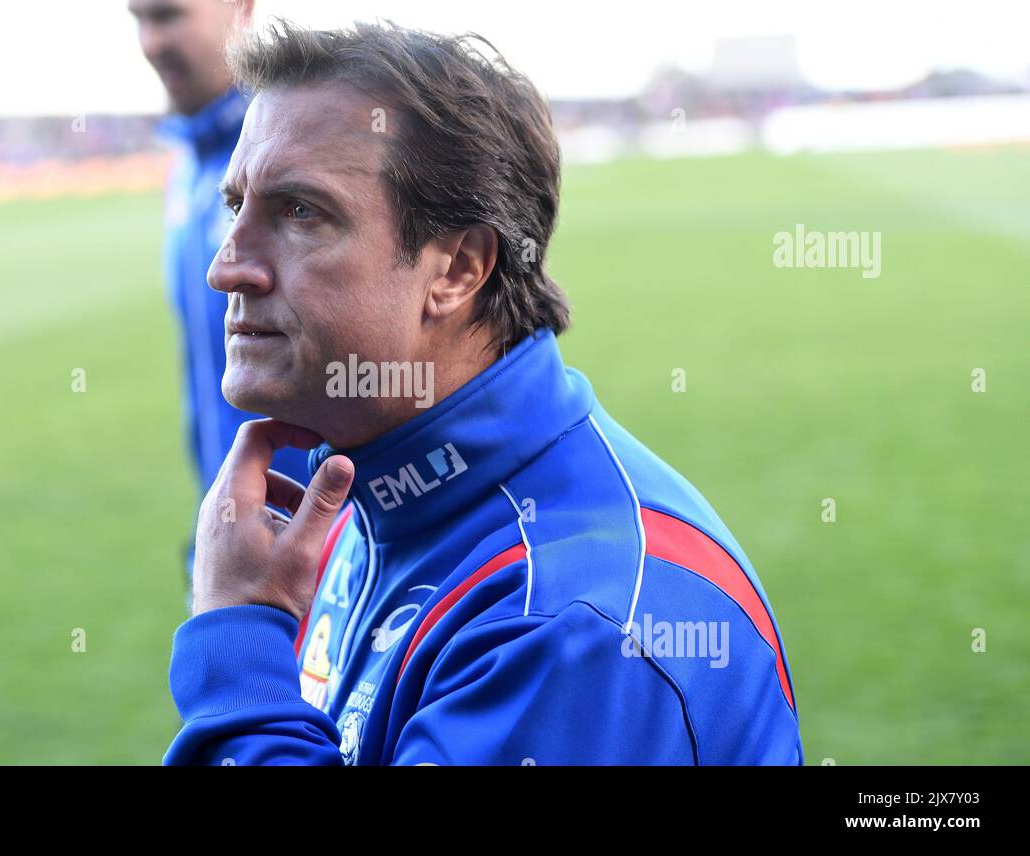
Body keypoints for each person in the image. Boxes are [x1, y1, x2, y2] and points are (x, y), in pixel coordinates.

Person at [164, 21, 803, 765]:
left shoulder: (574, 624)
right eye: (234, 206)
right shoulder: (355, 506)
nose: (228, 267)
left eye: (300, 213)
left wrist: (238, 641)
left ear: (459, 269)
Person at [129, 0, 307, 576]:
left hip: (311, 549)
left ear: (241, 8)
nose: (152, 42)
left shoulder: (302, 147)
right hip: (232, 537)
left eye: (168, 15)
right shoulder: (188, 162)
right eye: (139, 19)